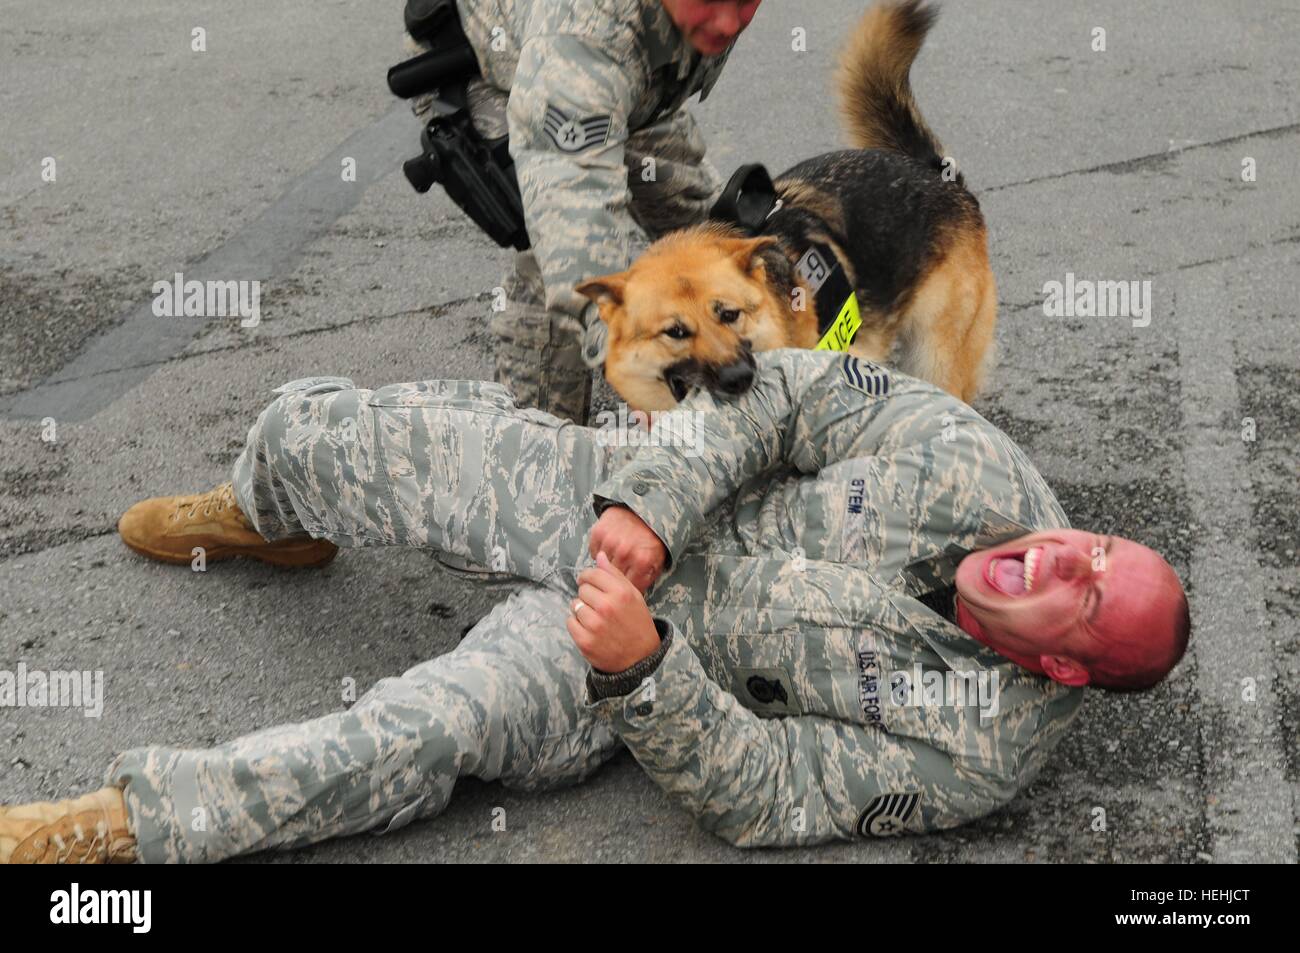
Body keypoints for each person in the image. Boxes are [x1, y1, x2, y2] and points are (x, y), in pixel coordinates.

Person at [0, 350, 1188, 862]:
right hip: (610, 503)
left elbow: (773, 793)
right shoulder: (982, 468)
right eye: (1090, 542)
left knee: (422, 731)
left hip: (612, 660)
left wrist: (643, 672)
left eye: (1083, 593)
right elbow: (776, 392)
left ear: (1067, 672)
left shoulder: (977, 747)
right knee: (318, 435)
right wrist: (660, 499)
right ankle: (266, 510)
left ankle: (118, 822)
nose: (1057, 555)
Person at [407, 0, 761, 424]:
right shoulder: (583, 27)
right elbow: (573, 209)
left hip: (626, 85)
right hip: (495, 71)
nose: (727, 23)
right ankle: (539, 444)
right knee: (557, 261)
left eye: (744, 1)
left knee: (710, 234)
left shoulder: (673, 25)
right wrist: (633, 363)